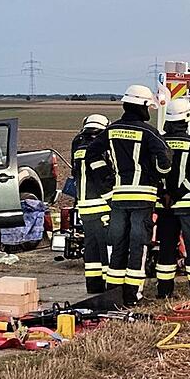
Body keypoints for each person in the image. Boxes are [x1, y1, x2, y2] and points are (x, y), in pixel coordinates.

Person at [86, 85, 172, 306]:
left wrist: (106, 175)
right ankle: (133, 295)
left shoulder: (111, 130)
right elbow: (165, 164)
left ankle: (114, 294)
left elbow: (91, 154)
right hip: (143, 196)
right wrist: (155, 174)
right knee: (139, 244)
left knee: (118, 244)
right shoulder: (149, 132)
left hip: (119, 196)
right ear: (142, 106)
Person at [156, 98, 190, 298]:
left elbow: (154, 171)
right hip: (188, 206)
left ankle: (164, 290)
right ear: (187, 118)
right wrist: (179, 193)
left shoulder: (159, 143)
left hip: (165, 206)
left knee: (166, 248)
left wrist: (165, 194)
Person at [71, 114, 111, 294]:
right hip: (102, 206)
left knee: (92, 247)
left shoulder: (78, 147)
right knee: (106, 248)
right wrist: (113, 200)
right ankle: (108, 286)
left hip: (85, 206)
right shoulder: (98, 149)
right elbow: (102, 177)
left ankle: (93, 285)